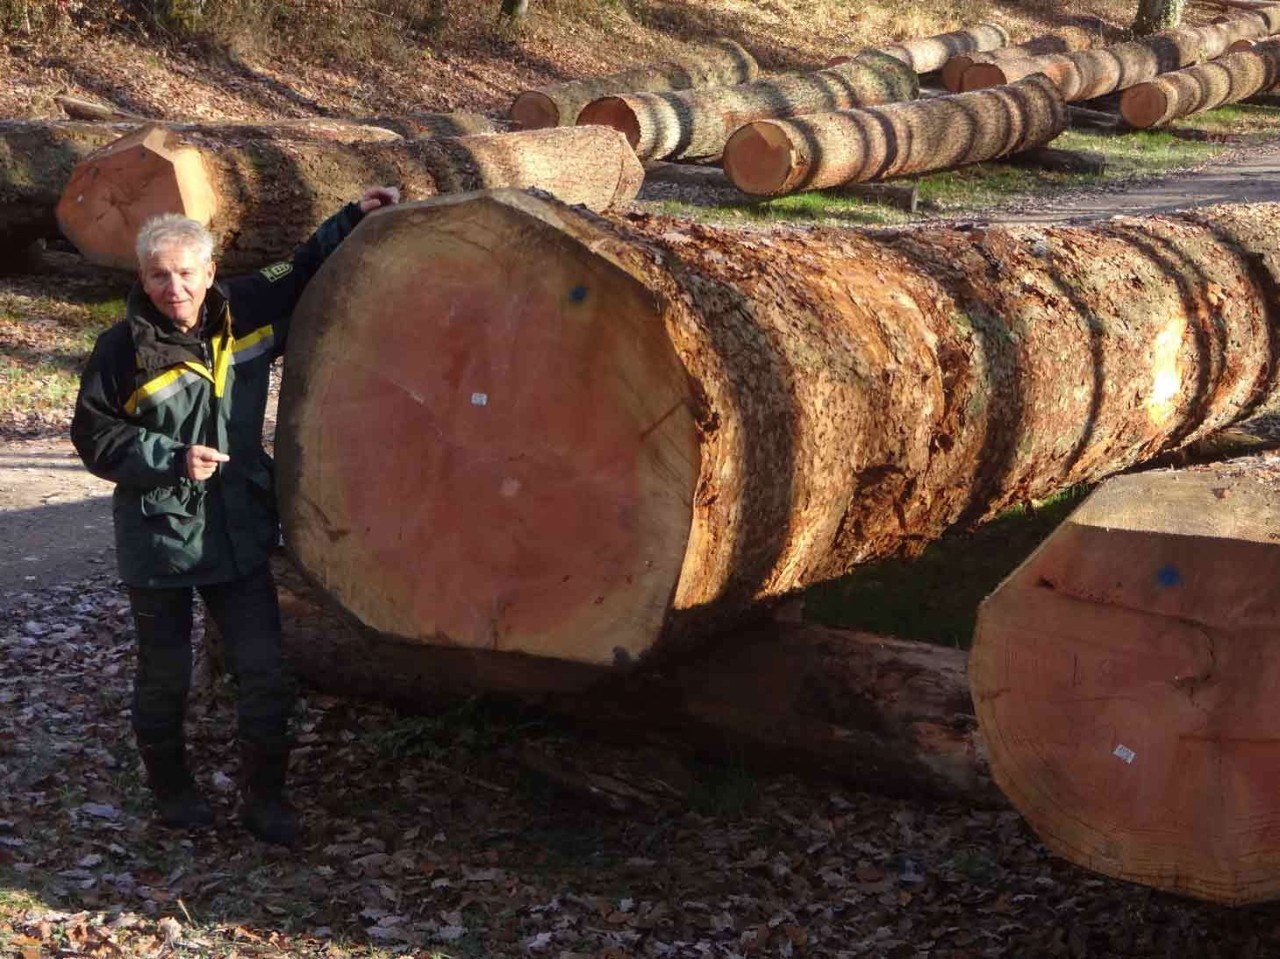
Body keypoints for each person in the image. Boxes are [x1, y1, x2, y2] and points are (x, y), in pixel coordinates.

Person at [71, 186, 400, 844]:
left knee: (265, 673)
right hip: (159, 537)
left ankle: (265, 801)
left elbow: (301, 267)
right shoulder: (120, 349)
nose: (173, 289)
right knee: (164, 679)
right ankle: (172, 792)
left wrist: (353, 215)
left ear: (209, 272)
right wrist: (168, 458)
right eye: (158, 276)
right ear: (142, 278)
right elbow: (94, 436)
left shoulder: (244, 309)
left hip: (239, 528)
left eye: (185, 273)